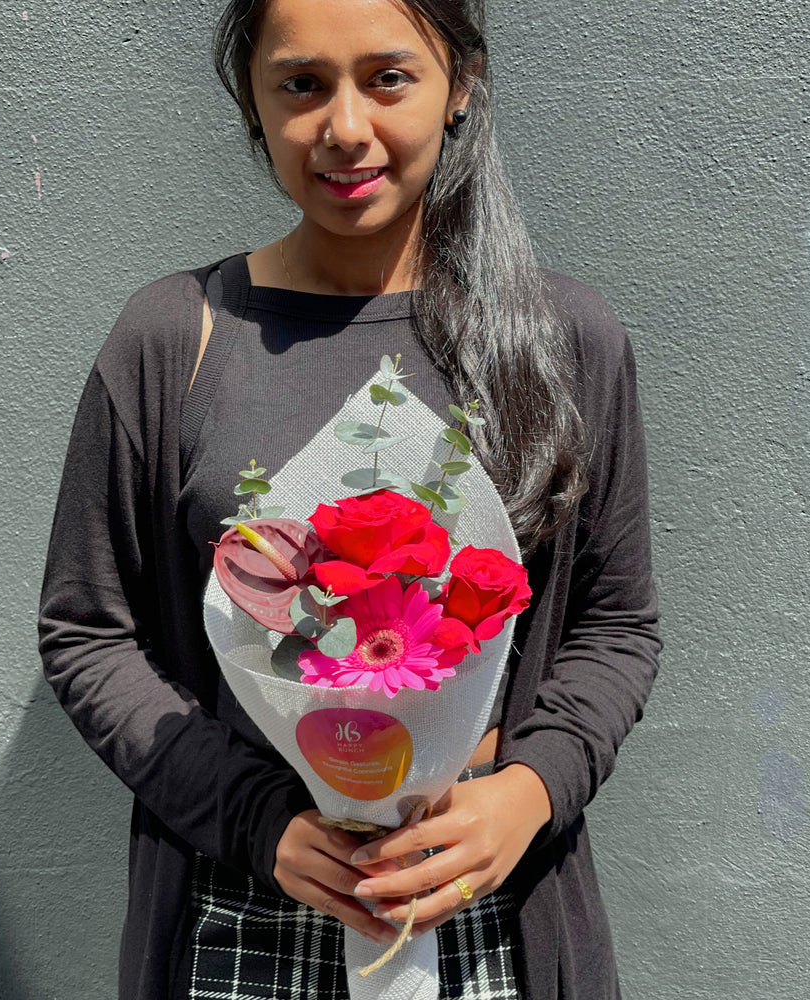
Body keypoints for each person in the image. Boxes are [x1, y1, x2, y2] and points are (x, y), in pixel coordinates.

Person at [38, 0, 661, 997]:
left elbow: (616, 624)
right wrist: (255, 819)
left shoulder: (565, 341)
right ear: (251, 96)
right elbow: (86, 628)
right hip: (240, 914)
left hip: (490, 917)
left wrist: (526, 793)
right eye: (300, 84)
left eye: (387, 78)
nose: (343, 127)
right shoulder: (174, 340)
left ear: (458, 84)